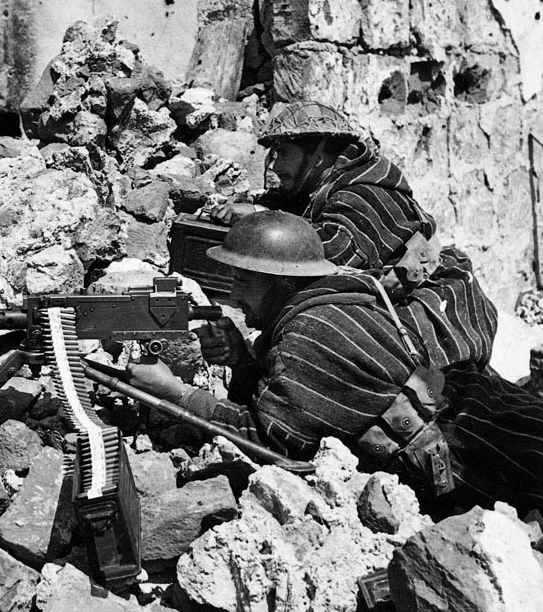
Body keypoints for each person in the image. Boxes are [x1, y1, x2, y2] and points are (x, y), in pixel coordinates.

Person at [129, 212, 543, 514]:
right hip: (478, 409)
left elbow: (270, 438)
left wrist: (176, 393)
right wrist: (243, 362)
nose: (235, 296)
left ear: (284, 282)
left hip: (473, 450)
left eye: (245, 281)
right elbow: (309, 402)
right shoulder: (329, 303)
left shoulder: (310, 332)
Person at [208, 100, 497, 372]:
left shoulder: (363, 192)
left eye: (283, 153)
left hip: (437, 317)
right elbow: (292, 208)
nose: (274, 165)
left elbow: (323, 255)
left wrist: (258, 223)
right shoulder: (326, 184)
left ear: (318, 156)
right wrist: (258, 209)